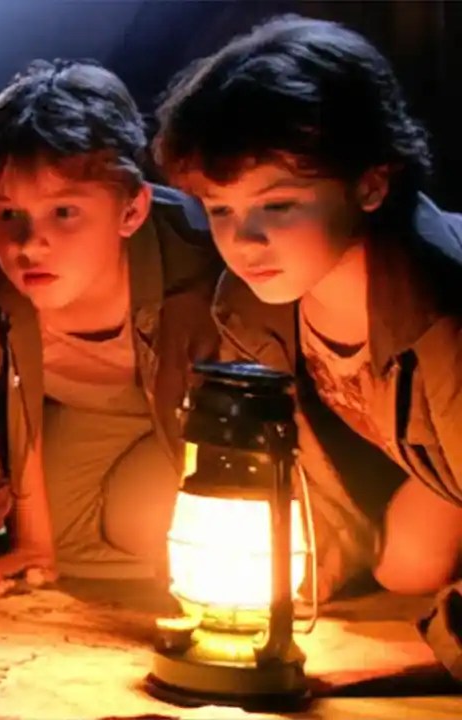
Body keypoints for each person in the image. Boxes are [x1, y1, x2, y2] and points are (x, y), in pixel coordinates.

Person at [152, 14, 462, 678]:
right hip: (430, 470)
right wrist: (321, 554)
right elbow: (308, 460)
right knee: (402, 564)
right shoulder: (254, 309)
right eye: (220, 209)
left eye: (279, 205)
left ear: (371, 184)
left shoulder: (443, 318)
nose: (244, 240)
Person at [0, 60, 223, 594]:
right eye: (8, 215)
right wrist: (24, 538)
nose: (30, 244)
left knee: (145, 515)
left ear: (131, 211)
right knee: (53, 539)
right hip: (90, 418)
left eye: (64, 212)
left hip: (201, 416)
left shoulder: (201, 260)